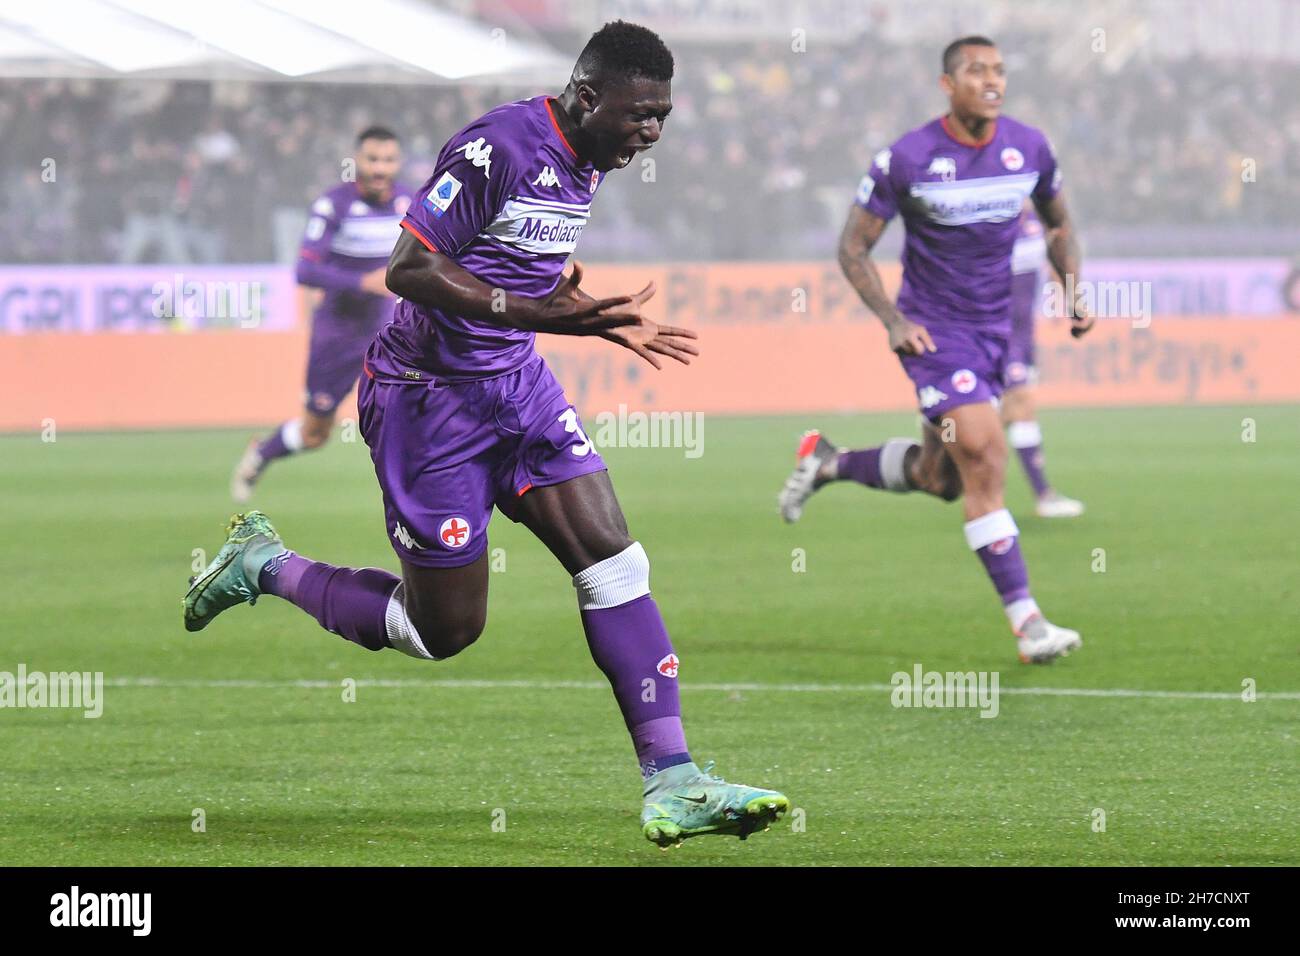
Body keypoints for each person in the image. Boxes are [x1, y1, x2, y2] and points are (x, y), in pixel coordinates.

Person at [188, 21, 788, 846]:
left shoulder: (588, 156)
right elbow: (409, 267)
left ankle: (674, 779)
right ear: (586, 96)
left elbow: (517, 257)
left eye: (664, 117)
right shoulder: (496, 145)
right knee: (442, 633)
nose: (651, 133)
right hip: (427, 403)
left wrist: (580, 310)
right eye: (639, 114)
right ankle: (264, 564)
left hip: (519, 388)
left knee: (614, 561)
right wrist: (540, 313)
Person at [778, 36, 1093, 663]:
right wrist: (893, 320)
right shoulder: (908, 157)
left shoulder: (1029, 148)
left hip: (994, 333)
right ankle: (1028, 623)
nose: (992, 80)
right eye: (977, 71)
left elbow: (1058, 221)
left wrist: (1072, 288)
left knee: (940, 479)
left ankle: (829, 463)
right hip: (933, 334)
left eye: (1000, 70)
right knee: (986, 451)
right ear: (948, 84)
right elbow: (852, 247)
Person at [231, 127, 411, 501]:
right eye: (372, 159)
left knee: (413, 410)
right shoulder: (334, 205)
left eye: (388, 160)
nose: (380, 169)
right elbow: (305, 270)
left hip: (392, 330)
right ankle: (263, 452)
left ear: (399, 163)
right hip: (339, 333)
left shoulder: (410, 202)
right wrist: (364, 282)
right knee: (316, 433)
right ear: (356, 161)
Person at [1003, 201, 1084, 517]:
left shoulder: (1037, 219)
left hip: (1024, 334)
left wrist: (1068, 294)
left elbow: (1058, 250)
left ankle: (944, 433)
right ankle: (1043, 495)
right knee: (1021, 403)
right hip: (997, 333)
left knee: (1010, 412)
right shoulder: (991, 220)